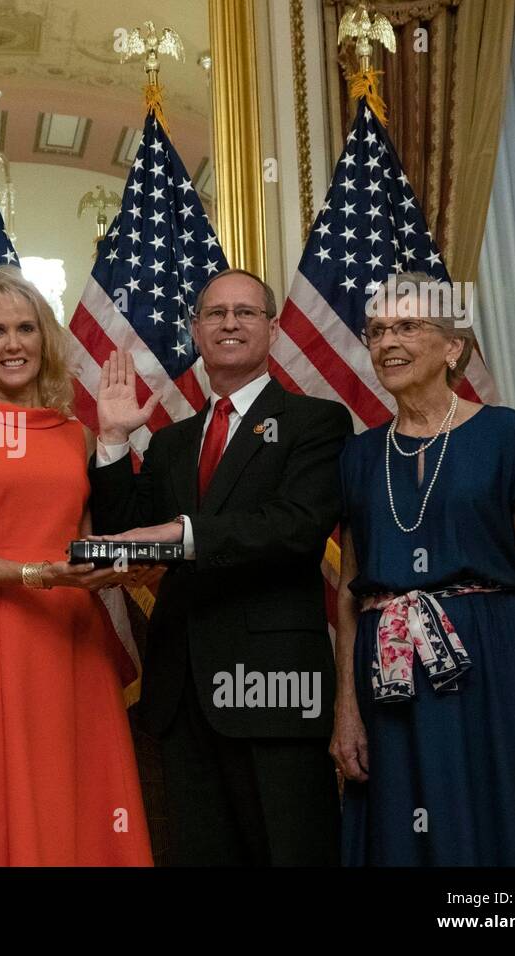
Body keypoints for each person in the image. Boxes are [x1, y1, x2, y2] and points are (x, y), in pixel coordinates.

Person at [330, 272, 515, 865]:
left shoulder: (511, 435)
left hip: (496, 662)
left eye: (407, 326)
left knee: (507, 823)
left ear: (453, 347)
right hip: (391, 677)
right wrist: (346, 712)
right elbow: (351, 594)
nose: (387, 342)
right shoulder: (357, 455)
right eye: (377, 331)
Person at [88, 268, 352, 866]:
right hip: (184, 693)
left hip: (278, 692)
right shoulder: (171, 442)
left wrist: (185, 533)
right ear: (195, 330)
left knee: (292, 853)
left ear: (273, 329)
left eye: (246, 312)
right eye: (215, 313)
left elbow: (293, 527)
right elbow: (128, 537)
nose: (229, 323)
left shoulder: (316, 423)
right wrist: (109, 441)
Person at [0, 266, 152, 866]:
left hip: (71, 635)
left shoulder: (74, 433)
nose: (13, 344)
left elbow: (87, 541)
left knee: (74, 789)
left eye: (25, 329)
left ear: (44, 341)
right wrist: (34, 575)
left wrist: (114, 565)